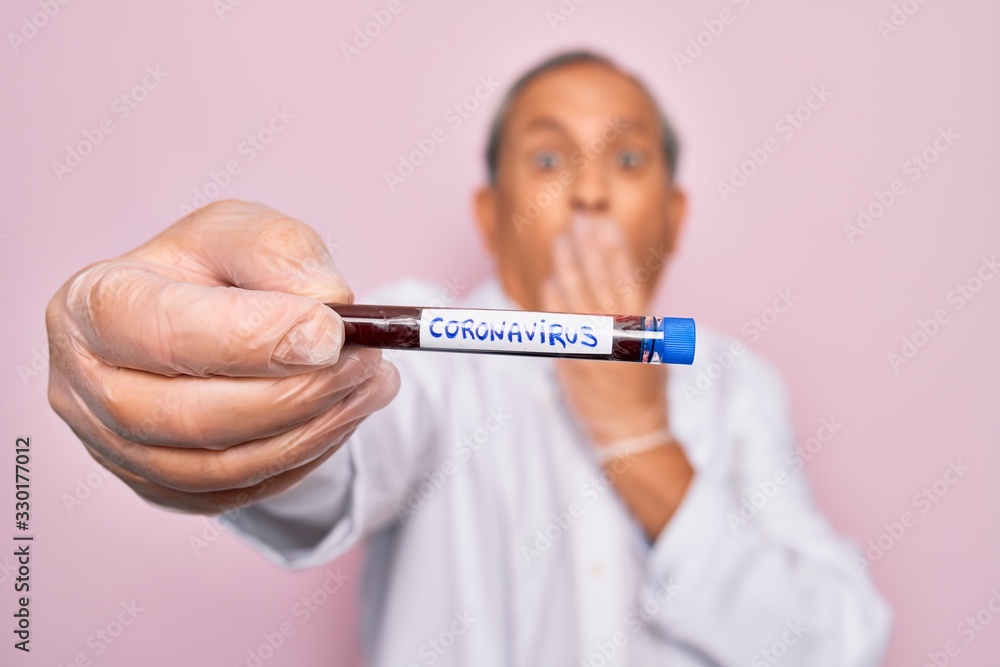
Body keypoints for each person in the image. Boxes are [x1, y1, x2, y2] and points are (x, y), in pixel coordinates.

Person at [45, 51, 890, 666]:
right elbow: (331, 465)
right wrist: (231, 402)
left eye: (627, 159)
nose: (592, 191)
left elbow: (837, 641)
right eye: (551, 157)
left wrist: (642, 443)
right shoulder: (430, 348)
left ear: (672, 214)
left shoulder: (737, 387)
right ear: (490, 216)